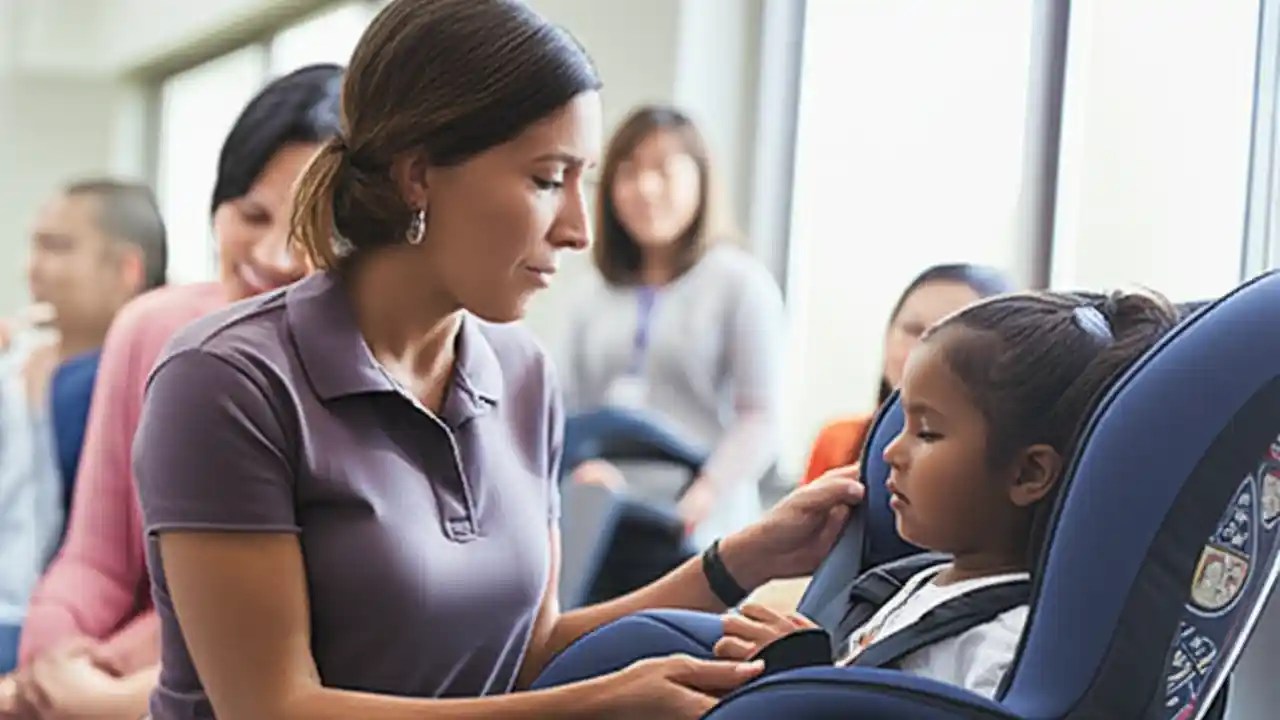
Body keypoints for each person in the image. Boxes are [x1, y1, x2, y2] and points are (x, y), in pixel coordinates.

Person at [130, 2, 862, 718]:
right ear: (417, 176)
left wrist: (742, 560)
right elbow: (272, 708)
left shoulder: (521, 373)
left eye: (585, 182)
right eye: (548, 180)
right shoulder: (227, 381)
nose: (578, 228)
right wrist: (591, 706)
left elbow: (526, 653)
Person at [0, 63, 342, 719]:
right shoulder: (151, 325)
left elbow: (246, 604)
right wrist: (52, 657)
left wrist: (89, 681)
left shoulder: (351, 368)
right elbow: (95, 558)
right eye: (252, 214)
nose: (274, 252)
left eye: (311, 224)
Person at [715, 289, 1179, 698]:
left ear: (1028, 473)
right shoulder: (918, 582)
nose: (891, 452)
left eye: (928, 433)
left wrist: (802, 683)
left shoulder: (1009, 643)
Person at [564, 104, 786, 548]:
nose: (645, 188)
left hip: (705, 521)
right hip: (603, 512)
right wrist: (574, 473)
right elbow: (566, 405)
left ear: (700, 180)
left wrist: (706, 492)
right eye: (628, 172)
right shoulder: (592, 291)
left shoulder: (740, 282)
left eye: (664, 170)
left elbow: (761, 418)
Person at [0, 180, 167, 674]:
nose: (34, 268)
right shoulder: (21, 367)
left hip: (76, 631)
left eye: (58, 247)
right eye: (36, 245)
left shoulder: (129, 382)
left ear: (127, 269)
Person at [802, 263, 1011, 485]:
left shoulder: (995, 465)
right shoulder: (837, 442)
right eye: (913, 330)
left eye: (949, 338)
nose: (923, 351)